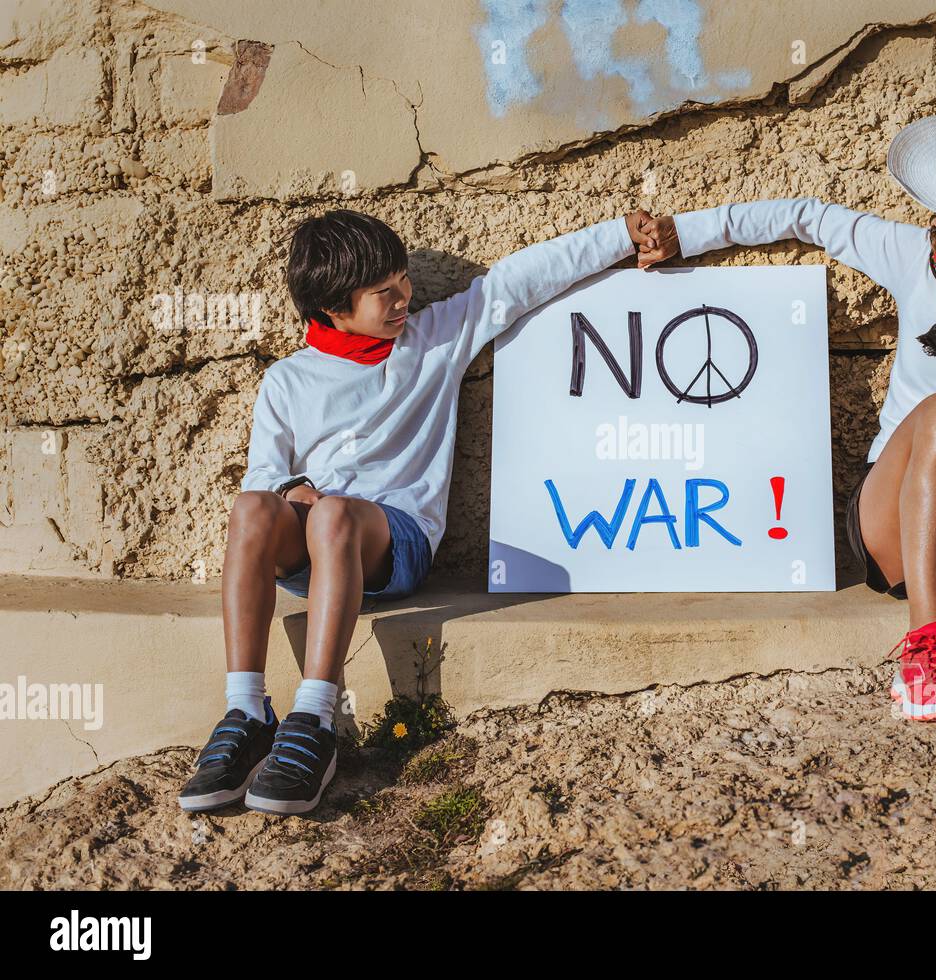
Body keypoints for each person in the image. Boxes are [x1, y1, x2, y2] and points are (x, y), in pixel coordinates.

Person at [636, 117, 936, 723]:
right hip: (901, 529)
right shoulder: (913, 258)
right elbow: (809, 216)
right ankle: (927, 649)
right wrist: (684, 233)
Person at [179, 208, 656, 814]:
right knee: (251, 507)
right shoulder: (288, 380)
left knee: (336, 517)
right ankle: (246, 712)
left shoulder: (433, 339)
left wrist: (618, 234)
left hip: (393, 545)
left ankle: (315, 718)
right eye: (384, 293)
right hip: (313, 552)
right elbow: (266, 475)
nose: (405, 298)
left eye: (403, 281)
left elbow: (518, 280)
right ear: (333, 308)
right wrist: (292, 490)